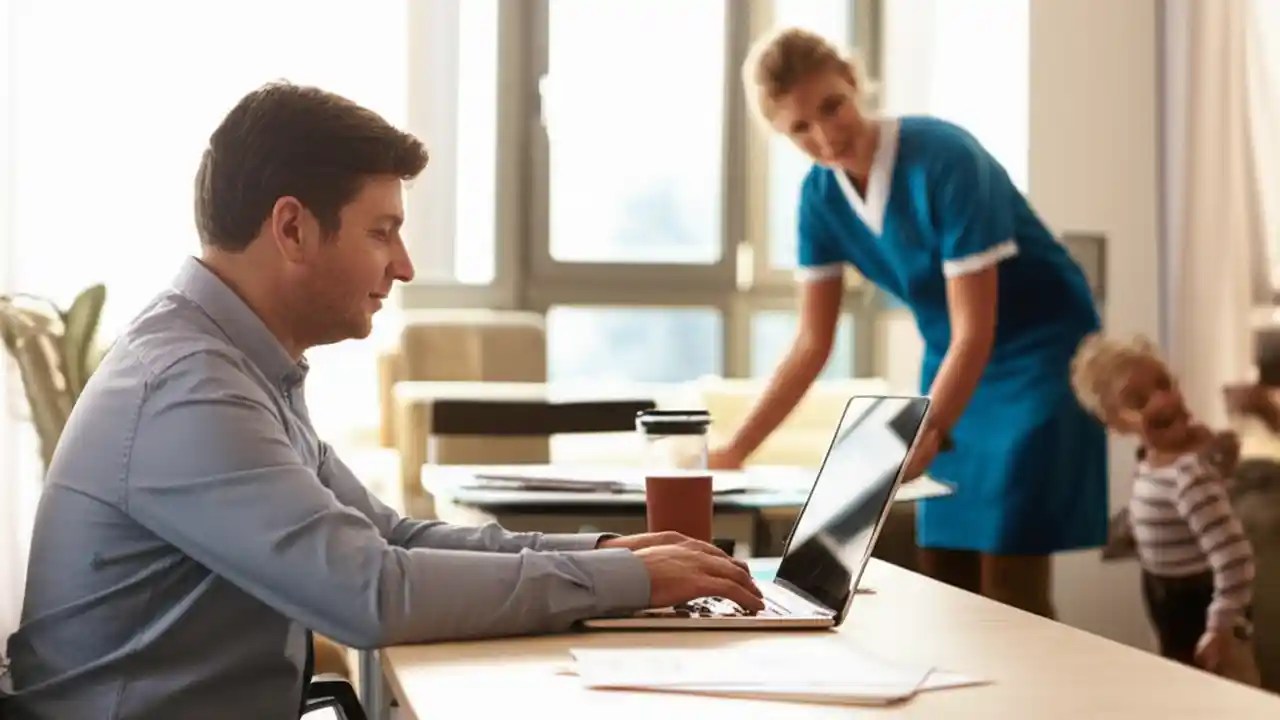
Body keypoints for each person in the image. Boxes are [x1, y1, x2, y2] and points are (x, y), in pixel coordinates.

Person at [0, 82, 762, 720]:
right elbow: (370, 592)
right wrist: (630, 582)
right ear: (293, 227)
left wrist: (602, 555)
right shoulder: (189, 389)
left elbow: (388, 537)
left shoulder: (237, 365)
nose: (403, 265)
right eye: (383, 232)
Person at [710, 27, 1108, 617]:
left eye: (832, 106)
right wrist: (734, 450)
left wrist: (931, 427)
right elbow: (812, 344)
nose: (825, 134)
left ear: (852, 80)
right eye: (800, 129)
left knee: (1009, 562)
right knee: (943, 560)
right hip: (952, 351)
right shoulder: (819, 199)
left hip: (1040, 354)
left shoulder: (946, 159)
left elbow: (979, 326)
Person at [1071, 334, 1260, 684]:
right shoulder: (1151, 463)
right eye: (1138, 400)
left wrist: (1219, 626)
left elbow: (1236, 559)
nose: (1163, 400)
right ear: (1115, 425)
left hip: (1207, 616)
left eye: (1164, 384)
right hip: (1171, 609)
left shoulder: (1188, 477)